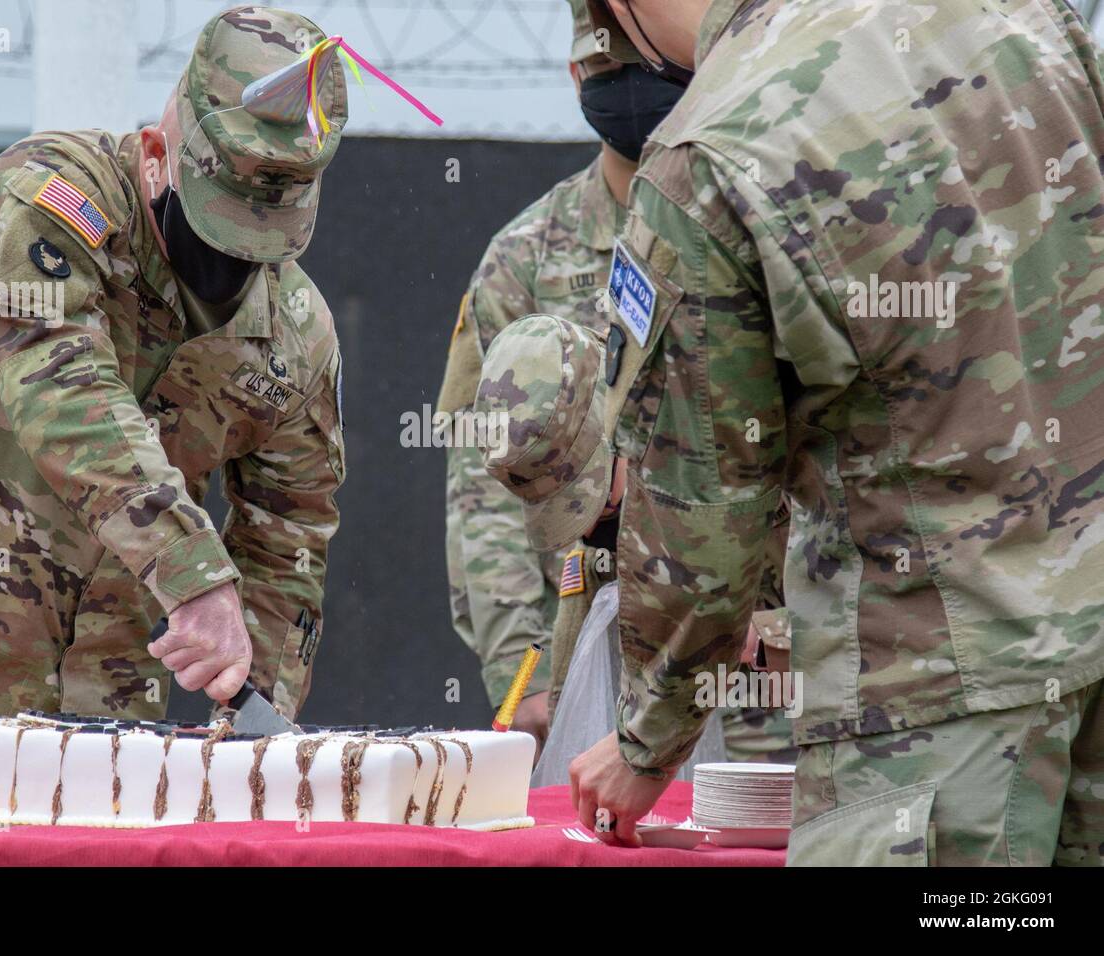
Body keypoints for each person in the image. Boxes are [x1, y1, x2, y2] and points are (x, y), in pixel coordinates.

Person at [571, 0, 1104, 864]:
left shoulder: (708, 154)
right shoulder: (1024, 17)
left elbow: (703, 510)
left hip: (933, 705)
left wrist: (649, 738)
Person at [0, 6, 347, 789]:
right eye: (215, 227)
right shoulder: (48, 197)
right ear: (160, 157)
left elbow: (289, 539)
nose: (233, 266)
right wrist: (190, 570)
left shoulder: (296, 336)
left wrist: (254, 737)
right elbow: (62, 386)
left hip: (98, 745)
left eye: (260, 248)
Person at [437, 0, 688, 746]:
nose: (632, 87)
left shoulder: (744, 232)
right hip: (582, 637)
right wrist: (522, 665)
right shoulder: (526, 255)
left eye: (648, 69)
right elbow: (481, 475)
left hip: (733, 644)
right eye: (609, 69)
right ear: (576, 73)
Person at [474, 313, 796, 768]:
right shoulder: (602, 508)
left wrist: (760, 639)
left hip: (806, 736)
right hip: (671, 743)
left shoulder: (753, 417)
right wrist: (523, 685)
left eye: (593, 501)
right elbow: (570, 668)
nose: (587, 532)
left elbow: (892, 621)